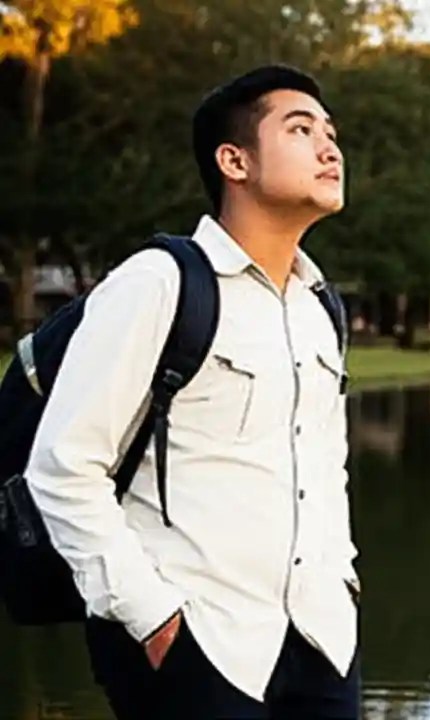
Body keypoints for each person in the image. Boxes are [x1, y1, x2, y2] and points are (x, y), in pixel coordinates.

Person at [24, 65, 361, 718]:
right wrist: (151, 617)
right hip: (200, 640)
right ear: (234, 160)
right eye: (300, 129)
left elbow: (327, 465)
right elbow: (64, 467)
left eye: (330, 132)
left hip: (321, 640)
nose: (329, 148)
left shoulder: (319, 305)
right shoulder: (158, 283)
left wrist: (342, 578)